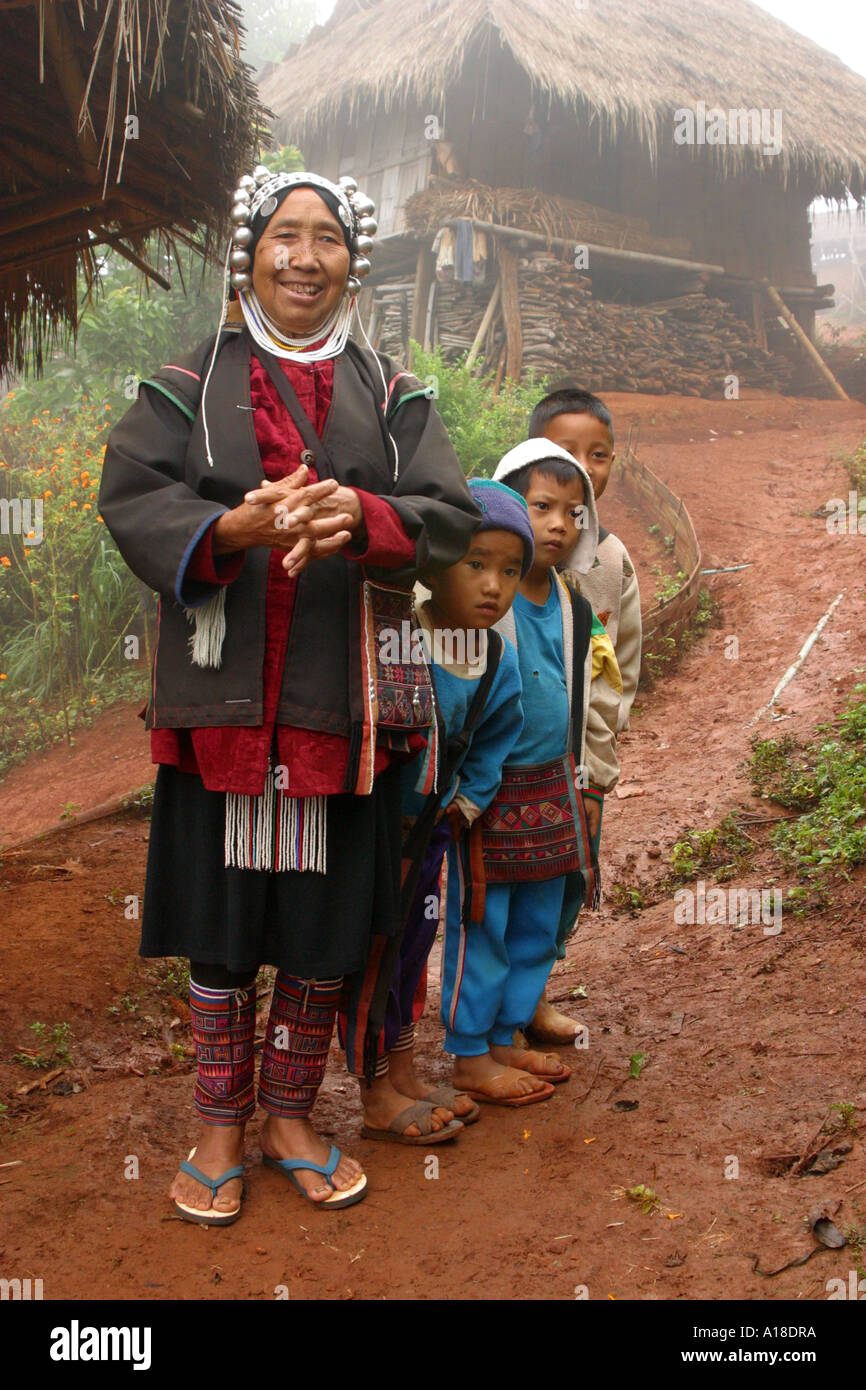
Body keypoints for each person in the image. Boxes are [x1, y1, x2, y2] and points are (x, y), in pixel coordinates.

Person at [98, 167, 479, 1222]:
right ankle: (219, 1127)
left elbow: (445, 515)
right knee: (222, 923)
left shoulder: (391, 392)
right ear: (248, 250)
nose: (303, 257)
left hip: (336, 705)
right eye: (283, 235)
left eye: (326, 239)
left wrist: (360, 516)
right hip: (222, 705)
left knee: (317, 926)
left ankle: (291, 1118)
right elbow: (128, 494)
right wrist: (232, 530)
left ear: (352, 262)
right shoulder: (187, 383)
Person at [343, 479, 531, 1139]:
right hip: (372, 834)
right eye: (475, 563)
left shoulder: (496, 660)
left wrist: (468, 799)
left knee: (414, 949)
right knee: (370, 955)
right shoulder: (403, 637)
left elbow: (495, 737)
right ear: (434, 562)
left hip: (432, 836)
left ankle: (402, 1069)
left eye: (511, 571)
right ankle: (371, 1085)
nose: (493, 586)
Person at [440, 440, 622, 1105]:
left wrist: (588, 778)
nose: (558, 524)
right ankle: (468, 1050)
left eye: (573, 512)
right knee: (482, 920)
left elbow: (586, 693)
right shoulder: (488, 598)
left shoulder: (573, 605)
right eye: (541, 506)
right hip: (490, 791)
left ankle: (508, 1033)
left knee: (538, 922)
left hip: (553, 784)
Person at [526, 389, 641, 1043]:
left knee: (569, 877)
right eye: (566, 451)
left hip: (581, 763)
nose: (583, 466)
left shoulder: (611, 561)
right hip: (512, 761)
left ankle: (532, 995)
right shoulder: (501, 551)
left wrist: (598, 764)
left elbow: (620, 666)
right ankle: (489, 1020)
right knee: (505, 890)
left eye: (597, 455)